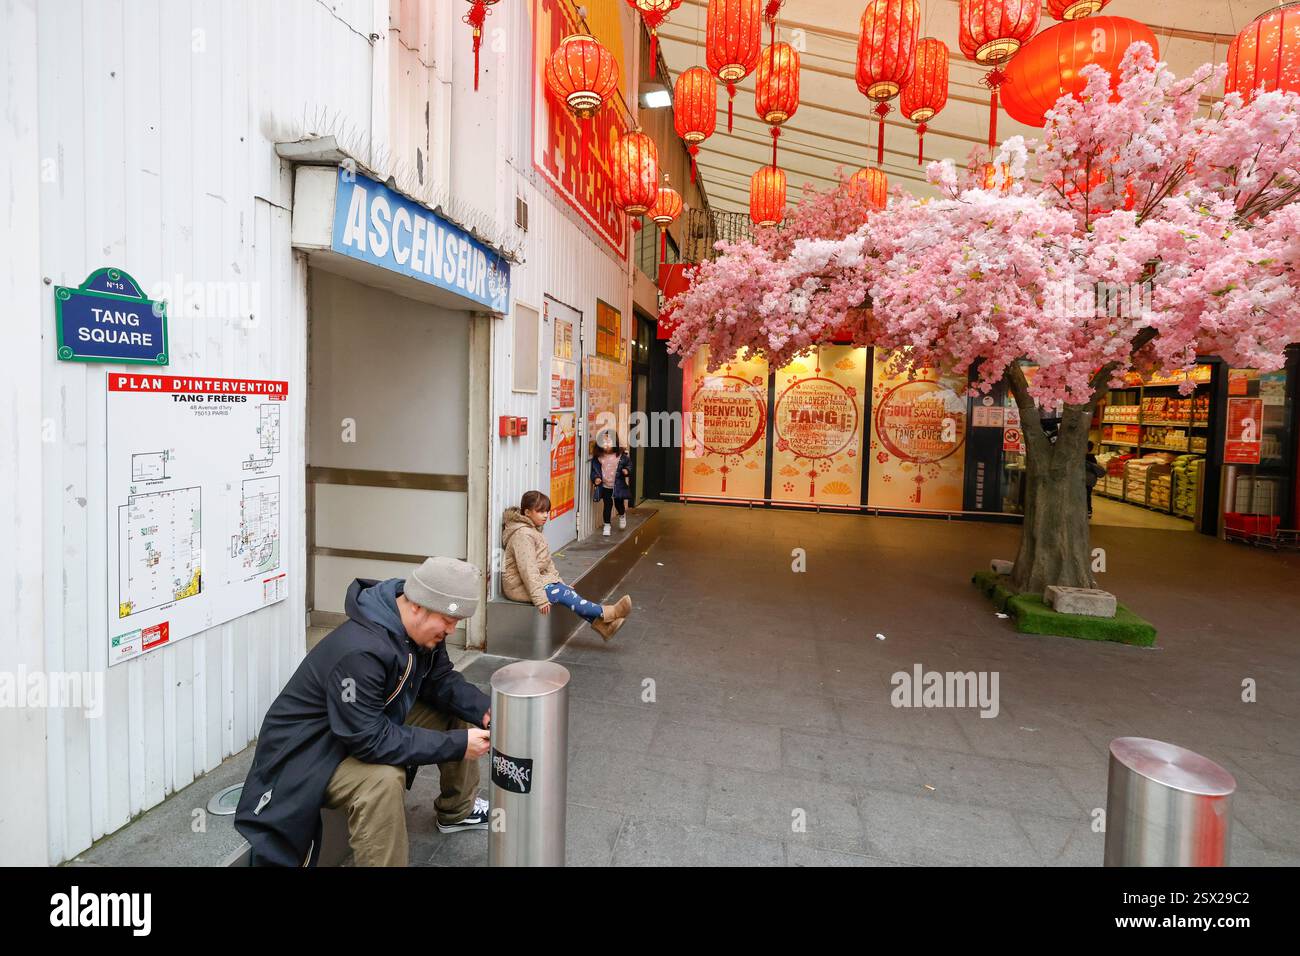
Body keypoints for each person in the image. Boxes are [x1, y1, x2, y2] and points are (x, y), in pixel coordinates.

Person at [234, 557, 492, 867]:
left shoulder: (419, 633)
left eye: (457, 622)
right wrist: (459, 745)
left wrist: (485, 709)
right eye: (448, 620)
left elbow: (439, 680)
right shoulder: (360, 651)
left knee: (455, 713)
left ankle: (457, 811)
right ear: (417, 606)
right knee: (382, 781)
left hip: (360, 724)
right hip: (312, 752)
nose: (452, 630)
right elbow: (371, 740)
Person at [501, 490, 632, 641]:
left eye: (547, 511)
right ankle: (607, 612)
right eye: (540, 511)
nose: (545, 515)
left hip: (534, 580)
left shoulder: (533, 531)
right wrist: (540, 599)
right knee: (563, 594)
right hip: (518, 586)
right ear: (527, 512)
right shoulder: (523, 535)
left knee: (566, 591)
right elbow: (528, 571)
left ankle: (604, 626)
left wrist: (560, 582)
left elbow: (547, 562)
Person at [590, 431, 632, 536]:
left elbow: (629, 464)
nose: (606, 445)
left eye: (609, 442)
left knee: (618, 504)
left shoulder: (621, 455)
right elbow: (595, 471)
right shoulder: (599, 457)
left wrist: (626, 470)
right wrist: (596, 478)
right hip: (605, 485)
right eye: (603, 442)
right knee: (607, 505)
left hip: (618, 485)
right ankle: (607, 525)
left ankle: (622, 515)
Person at [1085, 442, 1106, 518]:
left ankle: (1088, 510)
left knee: (1086, 495)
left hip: (1085, 480)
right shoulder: (1092, 458)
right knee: (1087, 495)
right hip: (1089, 481)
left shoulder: (1086, 458)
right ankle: (1088, 511)